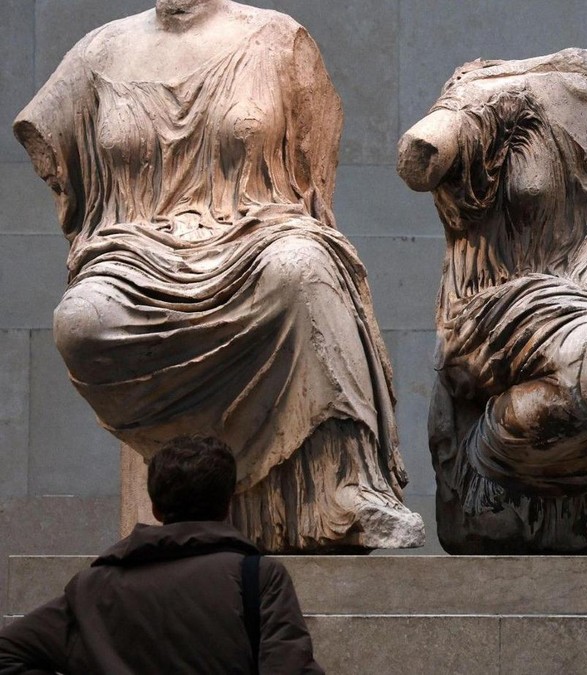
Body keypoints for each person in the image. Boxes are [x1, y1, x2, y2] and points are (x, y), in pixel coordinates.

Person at [13, 0, 423, 552]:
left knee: (305, 269)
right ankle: (194, 477)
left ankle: (340, 486)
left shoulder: (277, 38)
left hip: (258, 234)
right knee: (81, 322)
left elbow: (313, 179)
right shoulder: (99, 52)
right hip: (134, 254)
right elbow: (48, 143)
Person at [0, 436, 324, 674]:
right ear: (228, 505)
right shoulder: (258, 577)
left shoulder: (93, 587)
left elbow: (7, 654)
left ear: (155, 507)